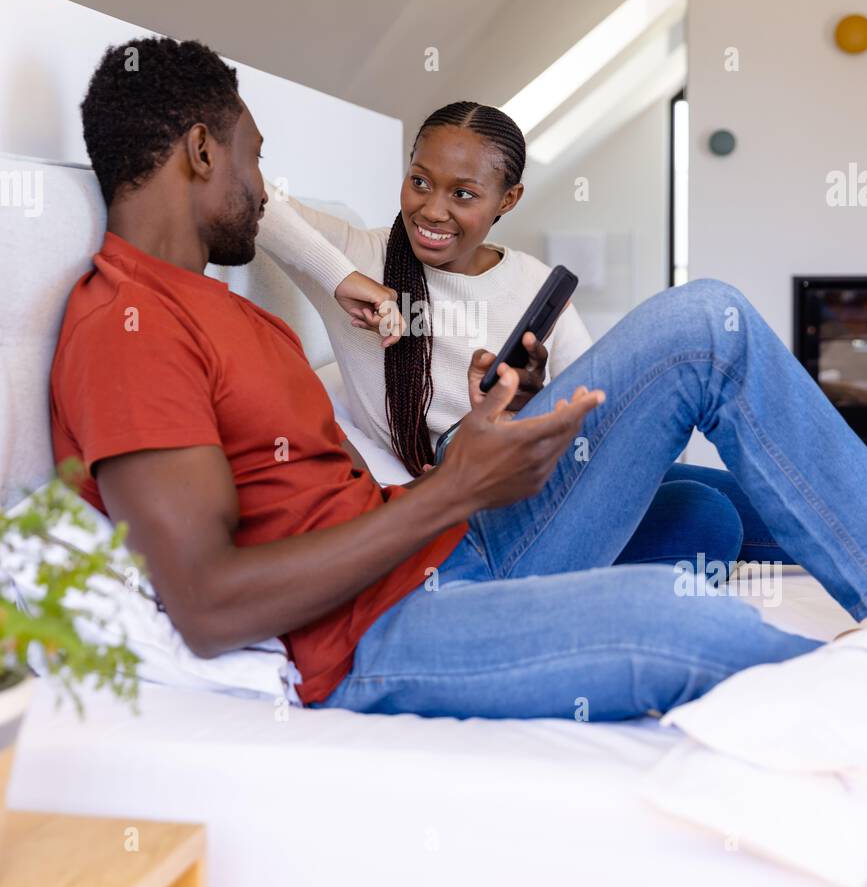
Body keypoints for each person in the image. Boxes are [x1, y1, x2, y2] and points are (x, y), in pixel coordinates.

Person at [50, 38, 867, 721]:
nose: (262, 191)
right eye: (253, 160)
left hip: (441, 543)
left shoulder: (218, 308)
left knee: (705, 326)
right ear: (201, 151)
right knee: (695, 619)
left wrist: (469, 471)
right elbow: (206, 605)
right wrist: (455, 489)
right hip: (381, 627)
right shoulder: (129, 328)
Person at [258, 99, 780, 568]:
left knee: (749, 502)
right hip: (472, 488)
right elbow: (252, 197)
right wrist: (340, 276)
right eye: (420, 181)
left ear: (508, 200)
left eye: (463, 194)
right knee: (710, 518)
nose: (432, 210)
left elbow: (596, 413)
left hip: (546, 464)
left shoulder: (531, 281)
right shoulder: (355, 253)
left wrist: (533, 402)